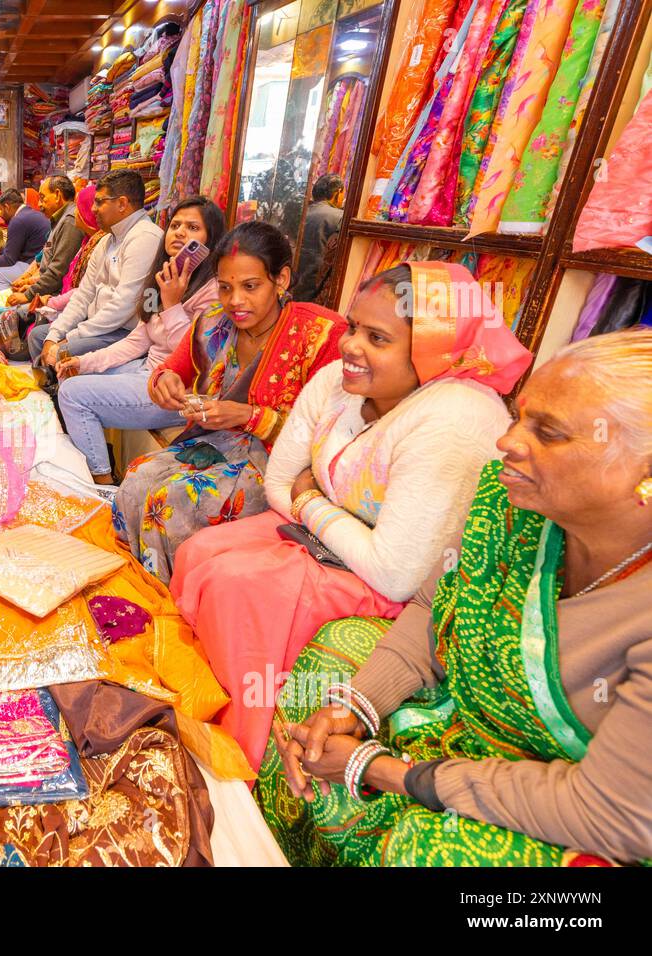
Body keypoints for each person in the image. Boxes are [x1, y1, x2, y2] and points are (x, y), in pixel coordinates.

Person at [262, 329, 652, 866]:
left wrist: (380, 771)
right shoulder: (507, 504)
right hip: (462, 725)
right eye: (520, 416)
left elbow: (616, 812)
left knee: (437, 850)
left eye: (550, 433)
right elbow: (431, 606)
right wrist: (354, 708)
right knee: (332, 659)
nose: (508, 442)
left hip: (590, 815)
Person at [170, 262, 533, 772]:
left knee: (237, 586)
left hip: (388, 579)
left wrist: (309, 503)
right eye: (353, 327)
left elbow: (397, 572)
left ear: (432, 351)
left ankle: (237, 754)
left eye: (377, 338)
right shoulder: (338, 382)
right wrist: (308, 505)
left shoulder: (454, 416)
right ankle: (193, 712)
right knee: (197, 550)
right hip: (332, 538)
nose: (350, 346)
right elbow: (278, 480)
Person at [113, 221, 345, 581]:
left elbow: (332, 434)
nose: (235, 300)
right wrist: (165, 382)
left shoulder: (322, 334)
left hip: (280, 463)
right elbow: (170, 370)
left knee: (175, 498)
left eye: (251, 286)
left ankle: (175, 594)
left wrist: (250, 416)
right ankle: (143, 582)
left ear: (281, 280)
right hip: (215, 442)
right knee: (137, 477)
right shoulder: (211, 322)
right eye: (225, 287)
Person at [55, 197, 225, 487]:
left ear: (211, 240)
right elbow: (136, 341)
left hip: (177, 391)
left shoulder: (213, 292)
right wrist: (85, 362)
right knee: (75, 373)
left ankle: (103, 482)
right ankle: (101, 461)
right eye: (175, 225)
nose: (180, 233)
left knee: (72, 394)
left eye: (193, 227)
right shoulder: (161, 279)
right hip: (147, 370)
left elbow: (198, 357)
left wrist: (172, 305)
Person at [27, 169, 164, 365]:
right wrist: (55, 334)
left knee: (64, 350)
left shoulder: (145, 238)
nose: (92, 209)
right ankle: (53, 387)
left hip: (124, 331)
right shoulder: (107, 240)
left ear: (122, 204)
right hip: (99, 325)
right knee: (40, 336)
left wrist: (73, 336)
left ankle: (63, 392)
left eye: (99, 201)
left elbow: (123, 305)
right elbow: (83, 294)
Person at [4, 176, 83, 306]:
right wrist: (29, 283)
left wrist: (28, 295)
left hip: (54, 295)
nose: (39, 204)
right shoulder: (59, 219)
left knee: (10, 311)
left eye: (42, 198)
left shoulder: (69, 221)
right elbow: (44, 258)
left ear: (57, 195)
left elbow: (57, 272)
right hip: (46, 289)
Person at [30, 182, 107, 313]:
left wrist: (45, 299)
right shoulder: (88, 241)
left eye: (79, 207)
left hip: (70, 305)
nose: (75, 212)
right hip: (63, 301)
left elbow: (60, 273)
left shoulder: (70, 223)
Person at [292, 173, 344, 302]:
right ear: (338, 192)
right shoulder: (339, 217)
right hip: (314, 284)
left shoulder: (301, 211)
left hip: (292, 279)